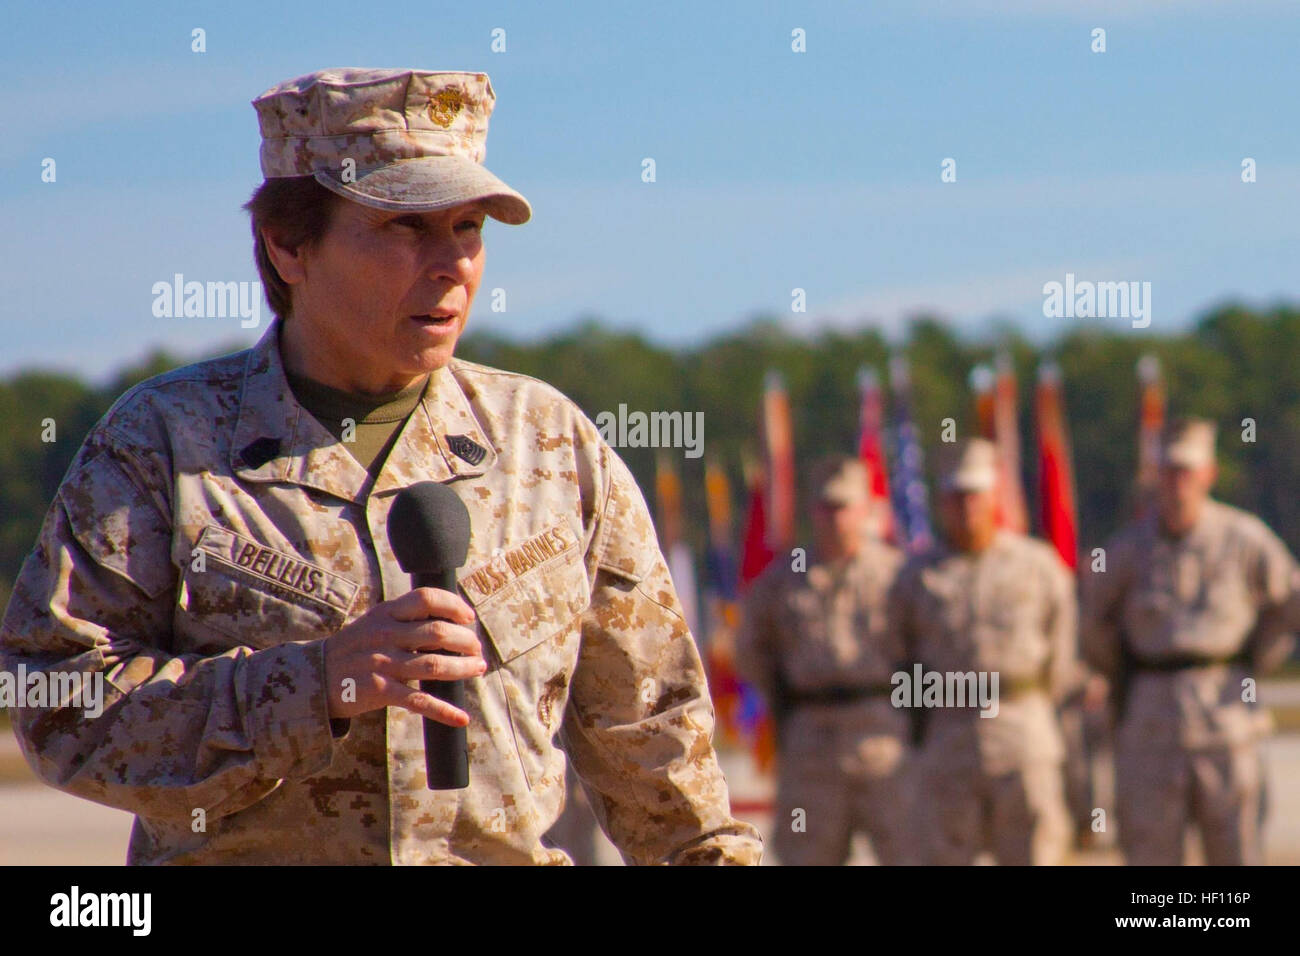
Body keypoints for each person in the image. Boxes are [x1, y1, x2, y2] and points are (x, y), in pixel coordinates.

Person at [0, 67, 761, 866]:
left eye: (468, 227)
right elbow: (57, 701)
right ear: (288, 246)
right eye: (406, 227)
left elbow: (659, 750)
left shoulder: (550, 444)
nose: (453, 263)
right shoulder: (164, 442)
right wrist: (313, 685)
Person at [1081, 417, 1299, 865]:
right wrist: (1127, 677)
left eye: (1188, 469)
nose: (1177, 481)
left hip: (1227, 722)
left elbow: (1288, 605)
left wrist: (1256, 659)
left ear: (1209, 473)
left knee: (1237, 853)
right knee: (1150, 856)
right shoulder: (1126, 549)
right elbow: (1093, 625)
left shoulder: (1246, 538)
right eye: (1169, 469)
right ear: (1155, 474)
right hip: (1149, 727)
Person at [889, 438, 1078, 865]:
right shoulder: (914, 576)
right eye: (956, 496)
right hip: (947, 740)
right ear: (941, 502)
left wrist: (1031, 703)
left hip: (1023, 736)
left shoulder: (1038, 565)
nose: (966, 506)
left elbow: (1062, 655)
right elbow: (898, 658)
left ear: (995, 495)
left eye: (975, 494)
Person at [736, 457, 912, 865]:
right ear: (812, 510)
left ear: (866, 509)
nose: (836, 518)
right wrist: (786, 703)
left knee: (910, 852)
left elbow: (926, 650)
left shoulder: (899, 575)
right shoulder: (783, 579)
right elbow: (751, 650)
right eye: (826, 507)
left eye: (844, 506)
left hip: (884, 735)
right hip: (810, 740)